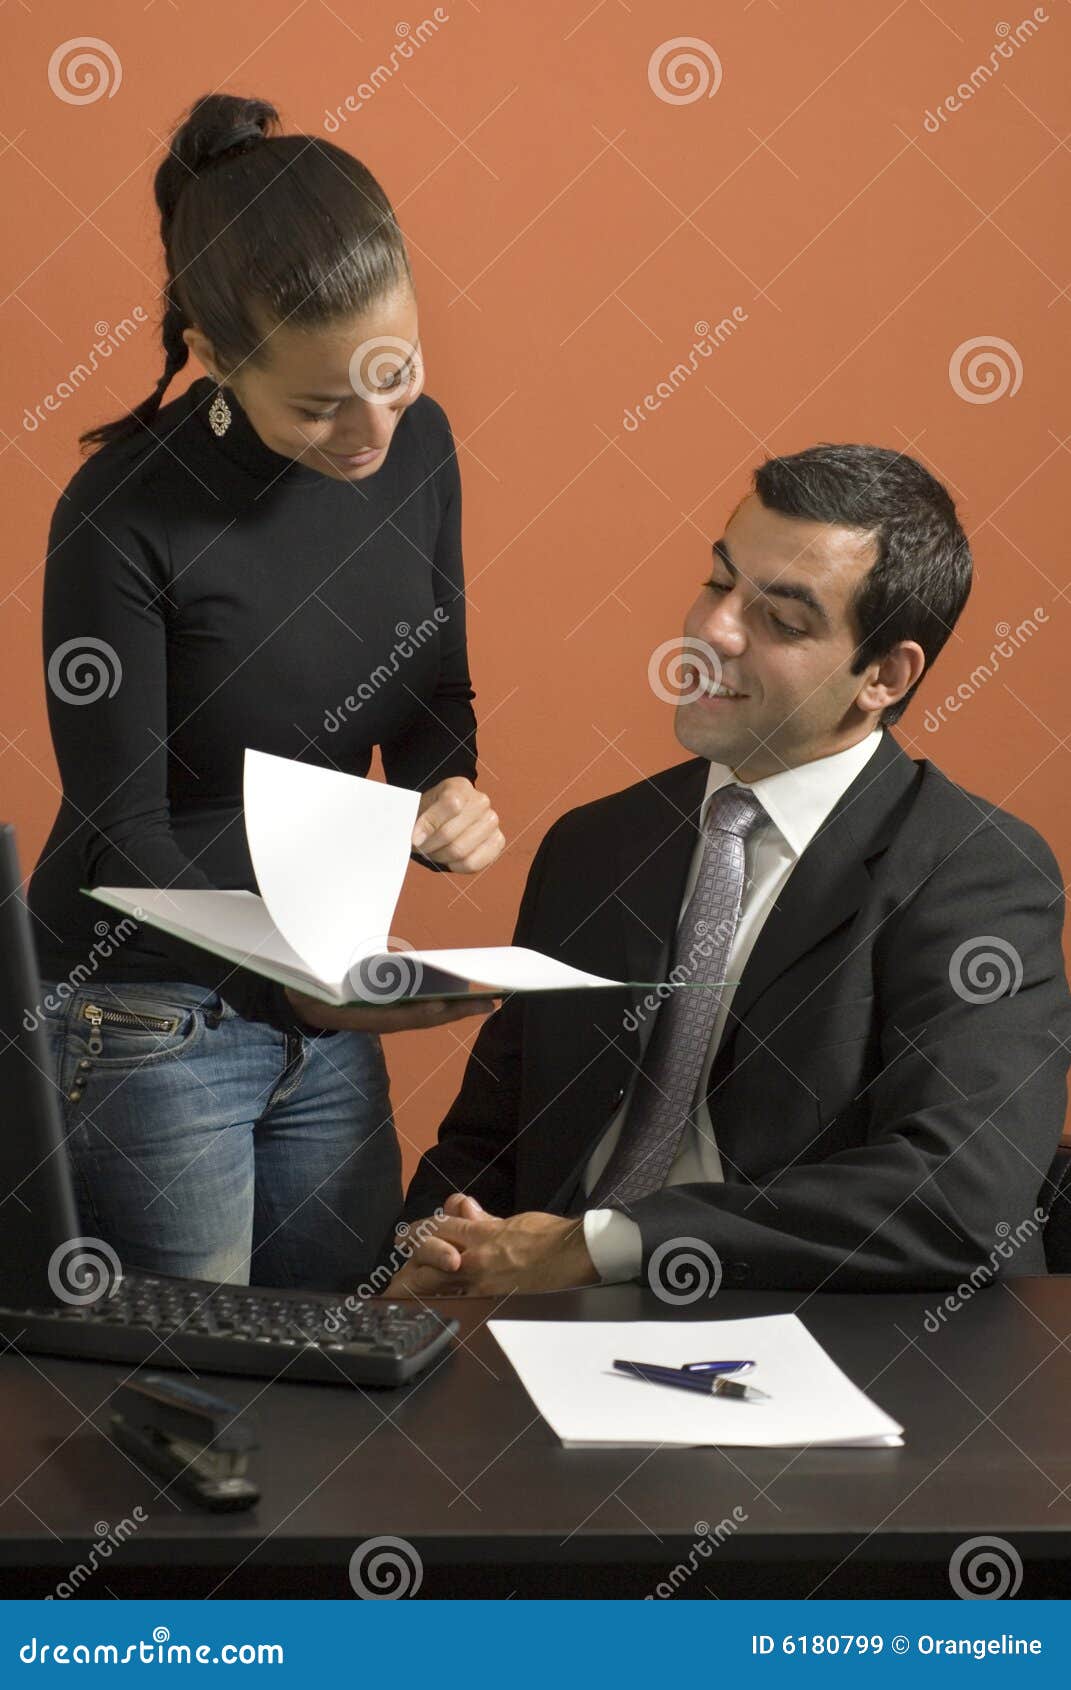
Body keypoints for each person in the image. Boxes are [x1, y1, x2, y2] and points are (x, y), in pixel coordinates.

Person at [388, 443, 1071, 1296]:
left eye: (782, 622)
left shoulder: (975, 873)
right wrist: (423, 1259)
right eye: (718, 582)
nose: (713, 630)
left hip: (812, 1342)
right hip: (548, 1326)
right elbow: (490, 1141)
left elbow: (961, 1196)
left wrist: (602, 1245)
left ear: (884, 675)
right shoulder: (593, 845)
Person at [27, 93, 504, 1292]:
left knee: (343, 1365)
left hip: (318, 993)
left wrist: (450, 783)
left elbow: (434, 681)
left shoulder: (422, 445)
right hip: (140, 1014)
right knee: (201, 1391)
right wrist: (327, 928)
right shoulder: (120, 515)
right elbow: (124, 843)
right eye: (319, 403)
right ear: (221, 362)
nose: (374, 426)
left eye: (394, 373)